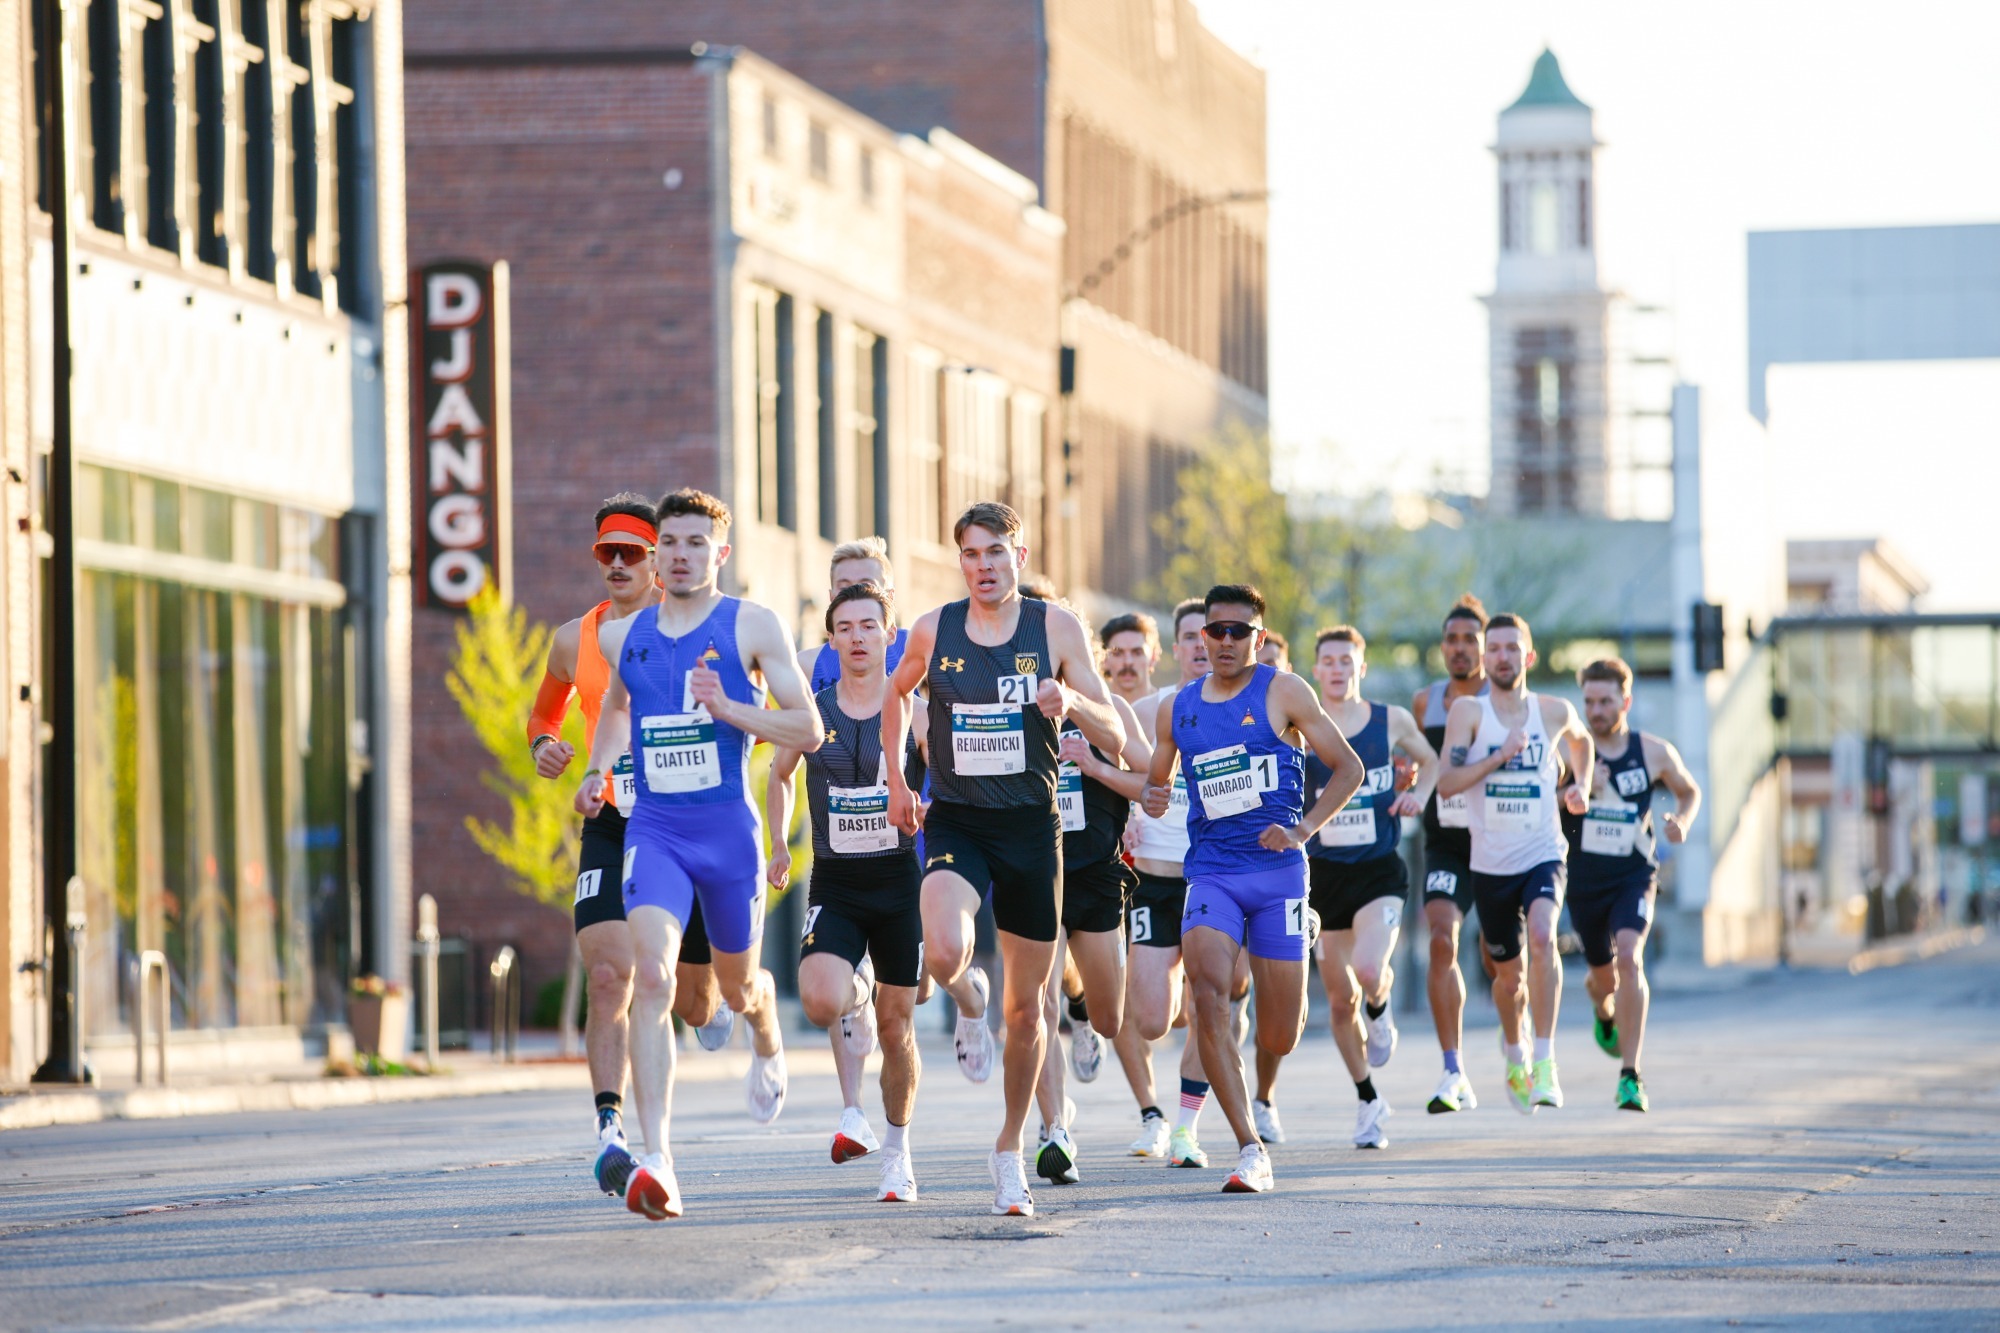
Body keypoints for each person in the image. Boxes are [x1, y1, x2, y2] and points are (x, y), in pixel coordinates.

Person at [575, 488, 823, 1220]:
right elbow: (618, 708)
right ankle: (659, 1161)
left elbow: (807, 729)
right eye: (670, 543)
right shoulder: (627, 637)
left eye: (694, 543)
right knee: (650, 978)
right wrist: (597, 770)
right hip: (654, 829)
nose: (680, 556)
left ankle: (765, 1023)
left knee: (736, 987)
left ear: (721, 551)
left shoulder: (751, 624)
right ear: (656, 555)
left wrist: (731, 710)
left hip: (727, 837)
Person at [883, 501, 1125, 1217]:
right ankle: (966, 998)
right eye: (971, 553)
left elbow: (1113, 725)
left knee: (1028, 1014)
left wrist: (1072, 698)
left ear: (1019, 556)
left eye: (997, 552)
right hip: (958, 817)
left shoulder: (1055, 627)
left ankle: (1011, 1148)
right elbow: (897, 697)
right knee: (942, 949)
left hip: (1030, 826)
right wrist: (898, 780)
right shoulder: (934, 628)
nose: (984, 565)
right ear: (959, 560)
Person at [525, 494, 730, 1203]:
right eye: (604, 553)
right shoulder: (571, 638)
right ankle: (612, 1130)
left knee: (698, 1000)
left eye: (630, 553)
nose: (615, 565)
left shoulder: (697, 628)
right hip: (617, 819)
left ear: (658, 560)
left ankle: (720, 1005)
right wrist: (547, 746)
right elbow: (544, 711)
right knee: (613, 975)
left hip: (694, 823)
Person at [1141, 584, 1364, 1193]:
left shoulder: (1285, 691)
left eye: (1241, 632)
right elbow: (1156, 786)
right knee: (1207, 995)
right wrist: (1153, 794)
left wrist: (1303, 829)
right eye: (1216, 631)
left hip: (1279, 875)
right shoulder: (1177, 708)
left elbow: (1349, 768)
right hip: (1211, 870)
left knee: (1278, 1034)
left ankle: (1301, 934)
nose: (1227, 641)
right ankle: (1249, 1146)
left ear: (1259, 640)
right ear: (1201, 637)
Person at [766, 581, 928, 1200]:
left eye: (869, 626)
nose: (858, 637)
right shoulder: (815, 711)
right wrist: (780, 844)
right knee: (820, 1002)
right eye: (846, 628)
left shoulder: (912, 708)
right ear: (831, 640)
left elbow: (945, 778)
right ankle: (856, 989)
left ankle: (896, 1151)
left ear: (891, 636)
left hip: (899, 883)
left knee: (897, 1028)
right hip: (836, 879)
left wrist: (924, 808)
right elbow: (780, 777)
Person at [1255, 626, 1437, 1149]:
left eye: (1346, 660)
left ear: (1362, 666)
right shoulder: (1299, 725)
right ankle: (1368, 1099)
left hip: (1378, 867)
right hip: (1323, 872)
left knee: (1367, 972)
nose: (1337, 668)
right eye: (1328, 660)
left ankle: (1379, 1011)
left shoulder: (1390, 720)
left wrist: (1418, 794)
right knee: (1338, 1001)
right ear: (1315, 669)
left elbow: (1431, 761)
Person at [1437, 613, 1592, 1116]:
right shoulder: (1469, 712)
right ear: (1484, 659)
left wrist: (1580, 785)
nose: (1502, 656)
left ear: (1528, 657)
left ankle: (1545, 1062)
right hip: (1491, 864)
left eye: (1512, 648)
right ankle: (1515, 1051)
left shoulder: (1553, 710)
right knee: (1510, 980)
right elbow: (1447, 782)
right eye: (1494, 648)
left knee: (1546, 937)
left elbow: (1583, 742)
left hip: (1543, 851)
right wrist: (1500, 756)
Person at [1032, 614, 1150, 1185]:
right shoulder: (1021, 708)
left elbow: (1154, 775)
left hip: (1097, 874)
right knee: (1033, 1006)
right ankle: (1055, 1129)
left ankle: (1082, 1005)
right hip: (1034, 871)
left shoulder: (1107, 709)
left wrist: (1092, 763)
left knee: (1109, 1017)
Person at [1109, 602, 1225, 1165]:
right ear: (1173, 650)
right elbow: (1125, 776)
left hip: (1211, 880)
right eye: (1189, 638)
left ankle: (1185, 1127)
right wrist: (1127, 808)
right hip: (1152, 882)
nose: (1201, 646)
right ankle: (1153, 1112)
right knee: (1152, 1018)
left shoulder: (1243, 711)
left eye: (1208, 635)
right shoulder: (1148, 711)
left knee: (1208, 1006)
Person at [1564, 657, 1702, 1113]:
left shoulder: (1653, 751)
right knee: (1602, 979)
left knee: (1630, 958)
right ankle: (1605, 1012)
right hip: (1584, 879)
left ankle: (1631, 1076)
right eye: (1589, 701)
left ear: (1626, 701)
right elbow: (1543, 802)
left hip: (1633, 873)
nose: (1596, 710)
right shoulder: (1571, 751)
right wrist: (1576, 787)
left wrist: (1680, 821)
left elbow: (1689, 790)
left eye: (1605, 701)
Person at [1410, 595, 1491, 1114]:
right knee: (1442, 939)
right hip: (1444, 843)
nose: (1459, 649)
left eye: (1469, 640)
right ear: (1442, 646)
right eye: (1452, 640)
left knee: (1503, 962)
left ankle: (1520, 1044)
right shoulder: (1425, 702)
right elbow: (1422, 762)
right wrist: (1408, 777)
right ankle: (1452, 1069)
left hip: (1500, 842)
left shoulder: (1506, 701)